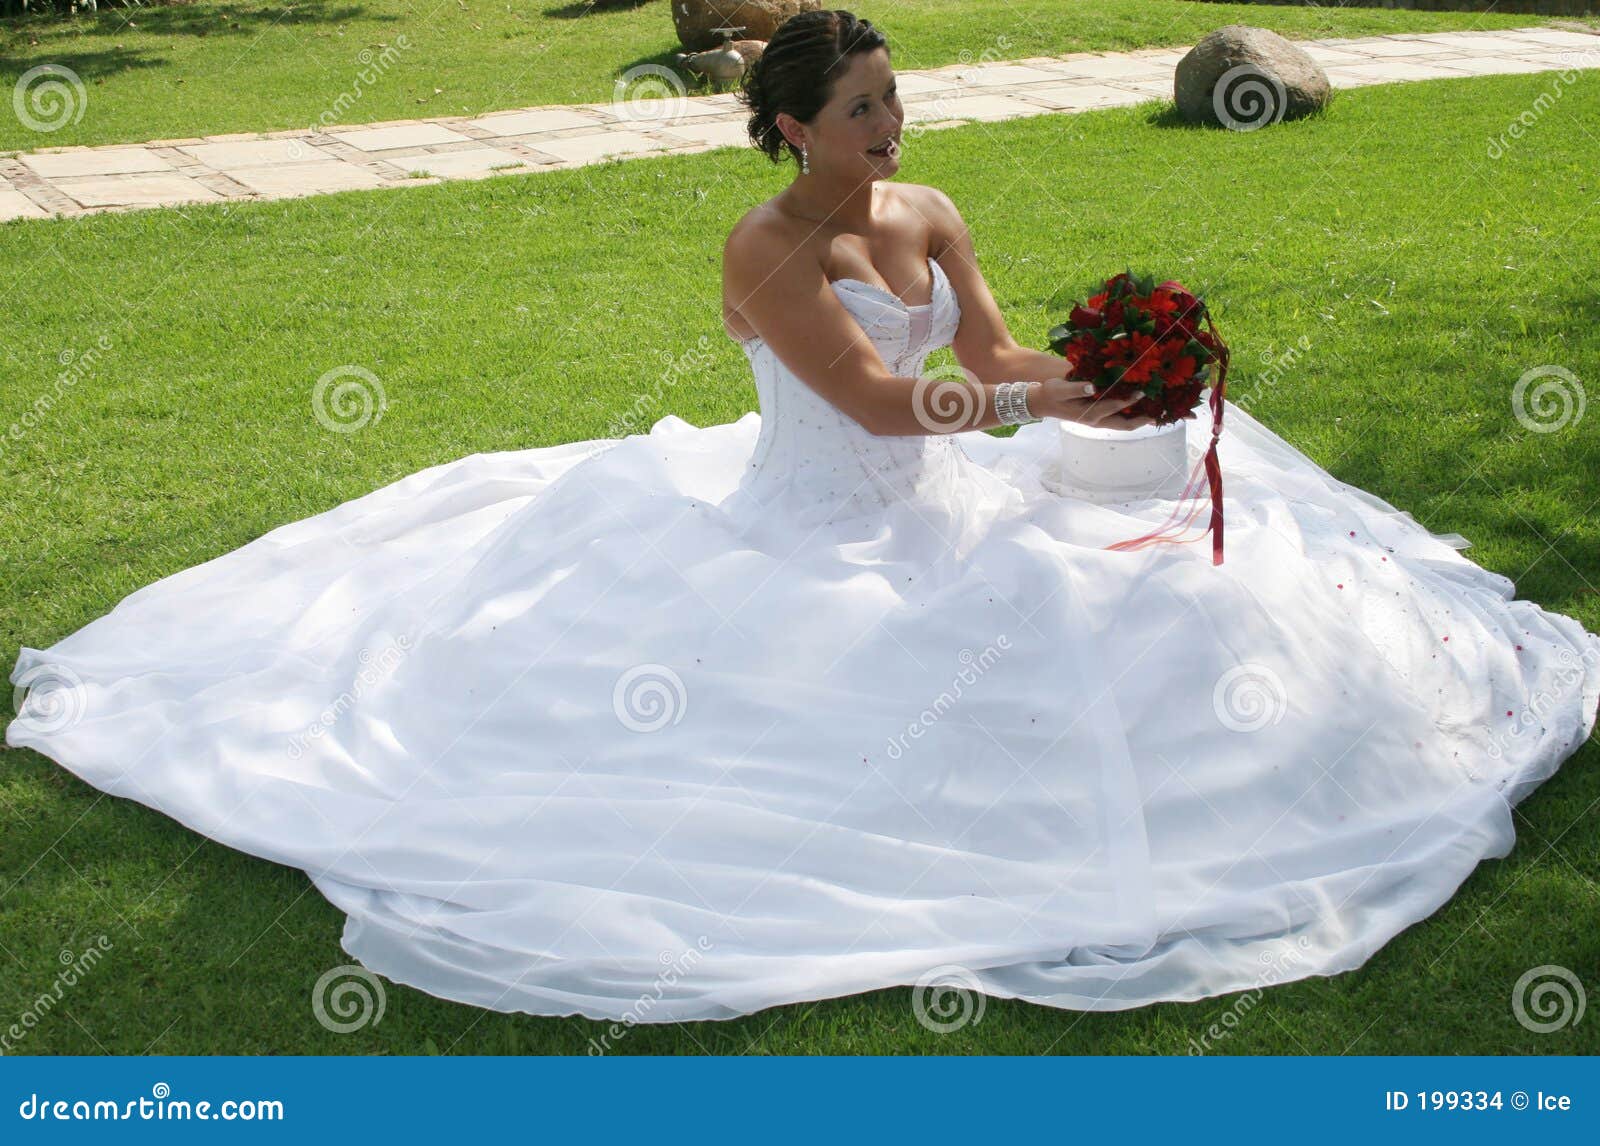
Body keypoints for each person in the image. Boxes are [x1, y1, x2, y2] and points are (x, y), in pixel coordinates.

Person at [8, 10, 1598, 1025]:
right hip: (815, 526)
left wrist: (1098, 374)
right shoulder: (765, 250)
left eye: (895, 101)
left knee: (1159, 601)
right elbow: (879, 404)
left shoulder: (929, 210)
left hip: (954, 487)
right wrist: (1027, 409)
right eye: (860, 112)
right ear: (788, 128)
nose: (890, 131)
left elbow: (982, 363)